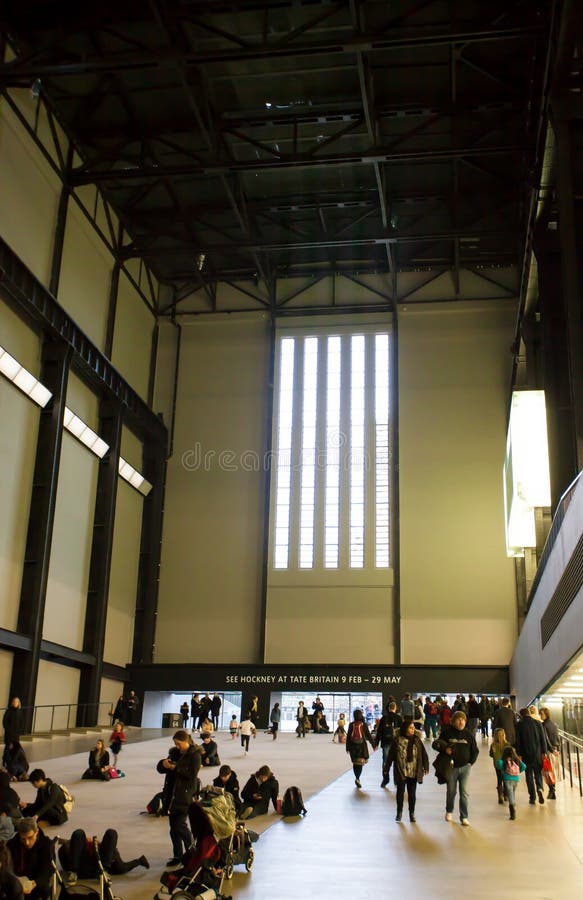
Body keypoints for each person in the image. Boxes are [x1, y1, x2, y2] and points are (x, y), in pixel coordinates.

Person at [160, 730, 202, 867]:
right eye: (175, 744)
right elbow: (161, 769)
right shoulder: (174, 753)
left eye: (179, 744)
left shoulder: (195, 755)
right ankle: (178, 856)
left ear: (186, 741)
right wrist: (163, 764)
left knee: (180, 826)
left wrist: (175, 767)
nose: (177, 746)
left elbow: (192, 775)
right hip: (172, 795)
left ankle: (193, 854)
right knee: (173, 829)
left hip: (185, 796)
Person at [433, 710, 479, 826]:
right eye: (458, 719)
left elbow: (475, 751)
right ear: (453, 721)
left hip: (465, 768)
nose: (461, 722)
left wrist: (470, 763)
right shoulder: (447, 733)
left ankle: (464, 817)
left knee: (464, 792)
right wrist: (444, 749)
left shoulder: (469, 735)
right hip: (451, 767)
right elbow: (437, 744)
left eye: (463, 720)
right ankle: (449, 811)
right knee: (451, 791)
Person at [58, 828, 149, 881]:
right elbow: (72, 844)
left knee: (111, 833)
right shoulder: (68, 851)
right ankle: (75, 872)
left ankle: (103, 872)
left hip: (100, 865)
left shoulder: (71, 849)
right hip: (82, 866)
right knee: (79, 833)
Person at [384, 721, 429, 822]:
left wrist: (426, 767)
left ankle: (411, 813)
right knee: (400, 793)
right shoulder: (397, 741)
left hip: (413, 771)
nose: (412, 730)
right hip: (401, 771)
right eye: (410, 728)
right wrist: (386, 768)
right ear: (405, 729)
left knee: (412, 794)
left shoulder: (417, 740)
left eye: (413, 728)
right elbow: (391, 755)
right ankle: (399, 813)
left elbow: (423, 754)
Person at [7, 818, 53, 900]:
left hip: (34, 880)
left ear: (37, 832)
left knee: (44, 888)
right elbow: (7, 866)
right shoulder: (12, 844)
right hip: (16, 879)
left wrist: (35, 883)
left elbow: (47, 870)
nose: (27, 842)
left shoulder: (46, 845)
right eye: (23, 839)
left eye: (30, 837)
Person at [516, 705, 547, 805]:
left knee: (529, 775)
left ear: (521, 715)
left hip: (526, 755)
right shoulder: (538, 723)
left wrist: (519, 754)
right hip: (537, 754)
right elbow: (543, 739)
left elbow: (518, 741)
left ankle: (532, 797)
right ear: (529, 713)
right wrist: (544, 752)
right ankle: (540, 788)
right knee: (538, 773)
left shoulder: (520, 725)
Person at [346, 709, 375, 789]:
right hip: (361, 746)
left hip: (353, 746)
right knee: (360, 764)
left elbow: (348, 736)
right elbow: (368, 735)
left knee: (355, 763)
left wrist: (347, 747)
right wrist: (373, 744)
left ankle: (357, 777)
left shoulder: (351, 724)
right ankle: (358, 778)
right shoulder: (363, 724)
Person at [496, 746, 526, 820]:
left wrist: (503, 769)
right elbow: (524, 766)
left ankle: (512, 807)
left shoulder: (504, 760)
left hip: (507, 778)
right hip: (516, 779)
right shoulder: (516, 760)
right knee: (512, 792)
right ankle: (513, 803)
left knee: (510, 793)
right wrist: (518, 771)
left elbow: (499, 764)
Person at [376, 702, 402, 785]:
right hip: (396, 743)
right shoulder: (399, 718)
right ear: (395, 708)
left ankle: (385, 779)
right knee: (397, 762)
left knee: (385, 762)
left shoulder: (384, 718)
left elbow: (379, 731)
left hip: (386, 742)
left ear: (388, 708)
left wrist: (376, 743)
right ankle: (397, 780)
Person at [539, 706, 559, 799]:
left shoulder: (543, 725)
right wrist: (557, 750)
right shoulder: (554, 724)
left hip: (548, 751)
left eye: (542, 714)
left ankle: (552, 791)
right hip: (555, 751)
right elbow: (557, 738)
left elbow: (545, 740)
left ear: (546, 714)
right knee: (552, 771)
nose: (540, 715)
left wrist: (550, 750)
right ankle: (552, 790)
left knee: (547, 771)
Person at [489, 727, 511, 804]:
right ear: (503, 735)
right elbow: (510, 755)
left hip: (497, 765)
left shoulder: (493, 745)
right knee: (505, 779)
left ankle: (500, 796)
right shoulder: (507, 744)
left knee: (499, 779)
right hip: (505, 765)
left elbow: (491, 755)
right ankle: (506, 795)